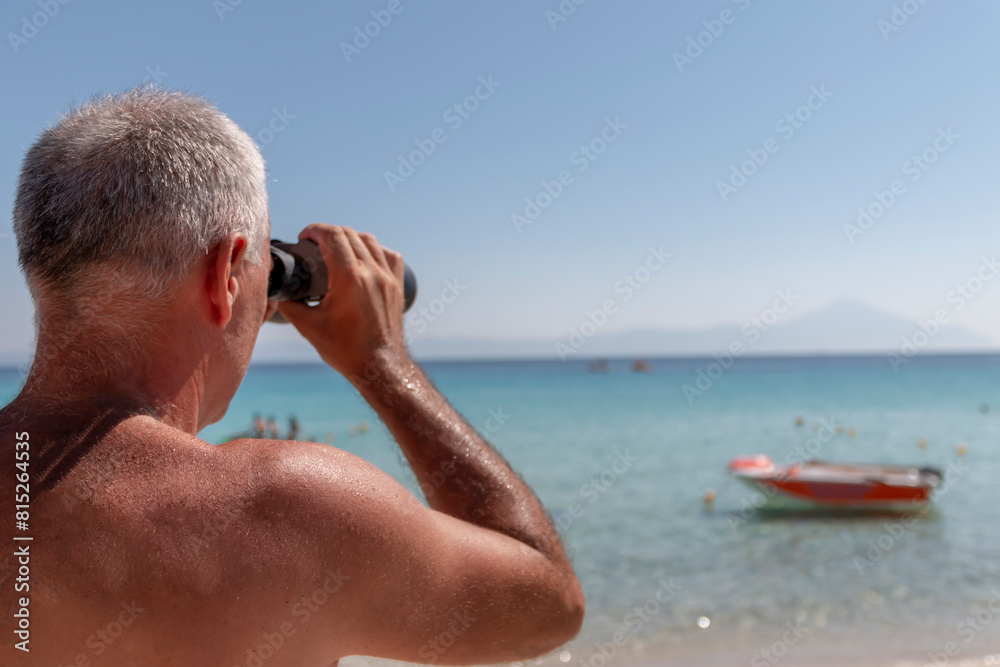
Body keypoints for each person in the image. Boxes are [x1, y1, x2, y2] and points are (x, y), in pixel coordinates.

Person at [0, 89, 583, 665]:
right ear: (226, 274)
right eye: (265, 271)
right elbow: (548, 604)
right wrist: (383, 363)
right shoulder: (292, 511)